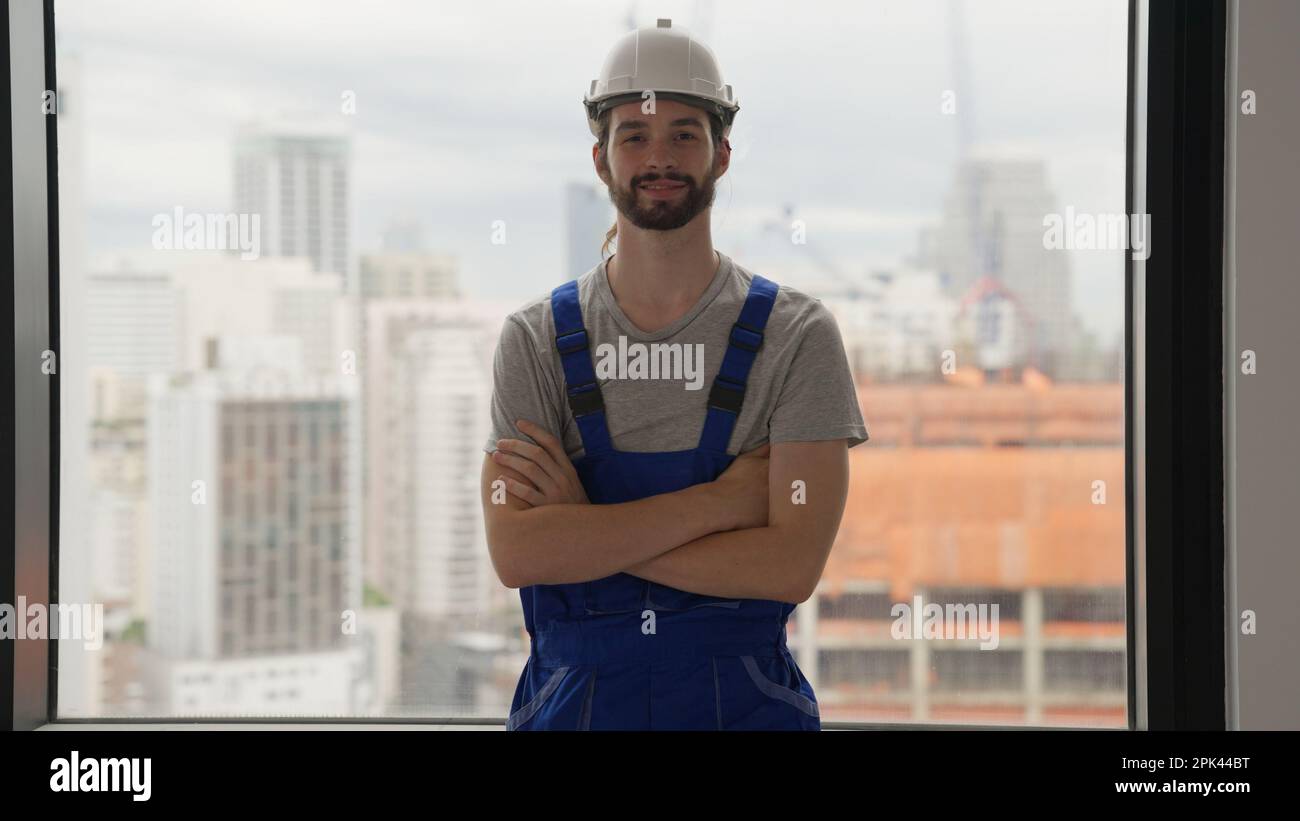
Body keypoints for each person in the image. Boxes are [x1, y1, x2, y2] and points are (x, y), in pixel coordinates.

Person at [479, 18, 868, 730]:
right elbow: (518, 550)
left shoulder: (797, 336)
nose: (660, 156)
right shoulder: (533, 341)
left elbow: (790, 566)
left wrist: (588, 534)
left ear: (721, 154)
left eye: (684, 134)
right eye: (635, 136)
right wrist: (726, 505)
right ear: (601, 159)